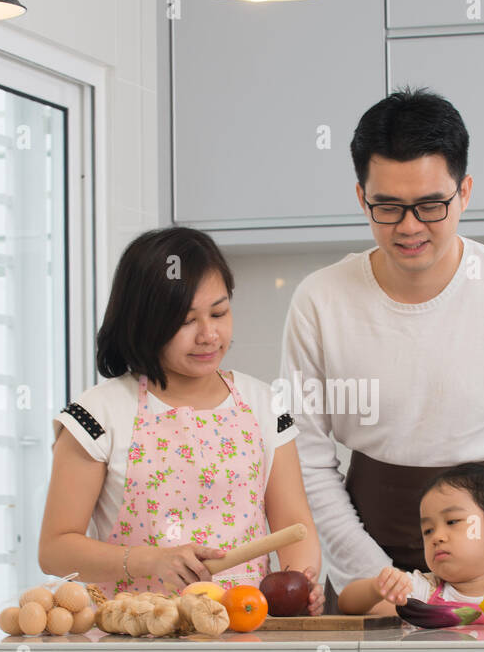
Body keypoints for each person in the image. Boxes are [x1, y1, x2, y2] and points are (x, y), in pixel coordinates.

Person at [280, 87, 484, 605]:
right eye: (387, 206)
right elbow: (305, 453)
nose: (409, 226)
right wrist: (372, 577)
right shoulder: (319, 300)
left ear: (465, 192)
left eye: (431, 205)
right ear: (360, 197)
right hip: (375, 546)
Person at [39, 226, 324, 612]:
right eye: (186, 320)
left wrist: (299, 583)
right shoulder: (98, 414)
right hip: (135, 634)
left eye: (219, 312)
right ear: (144, 321)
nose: (209, 334)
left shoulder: (264, 405)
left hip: (245, 631)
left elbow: (293, 525)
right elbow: (55, 549)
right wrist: (148, 560)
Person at [338, 463, 484, 616]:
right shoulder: (420, 590)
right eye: (428, 530)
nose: (437, 537)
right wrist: (377, 588)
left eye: (452, 522)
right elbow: (348, 603)